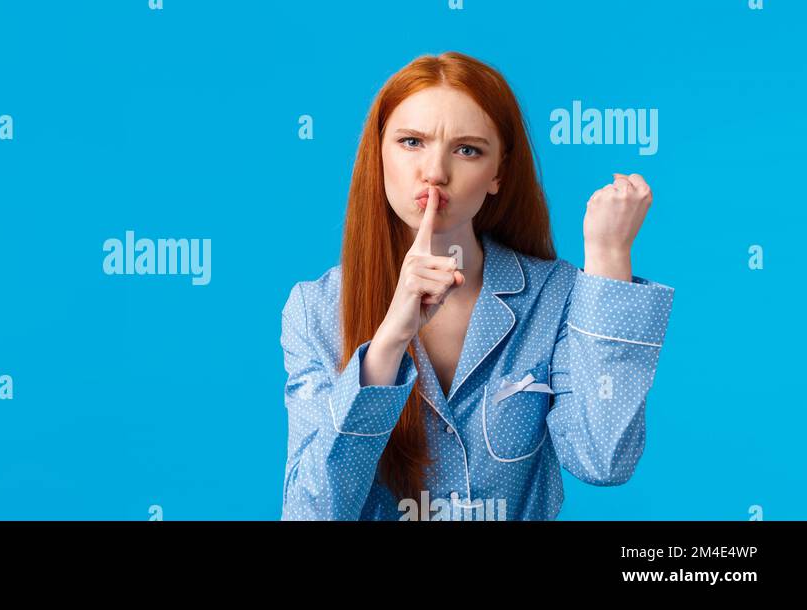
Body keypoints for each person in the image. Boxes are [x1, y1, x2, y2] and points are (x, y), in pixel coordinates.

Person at [279, 51, 675, 520]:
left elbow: (602, 459)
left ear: (498, 175)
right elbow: (312, 512)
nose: (435, 172)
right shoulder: (316, 308)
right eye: (411, 142)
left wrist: (609, 257)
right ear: (378, 153)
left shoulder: (555, 294)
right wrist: (387, 346)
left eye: (467, 150)